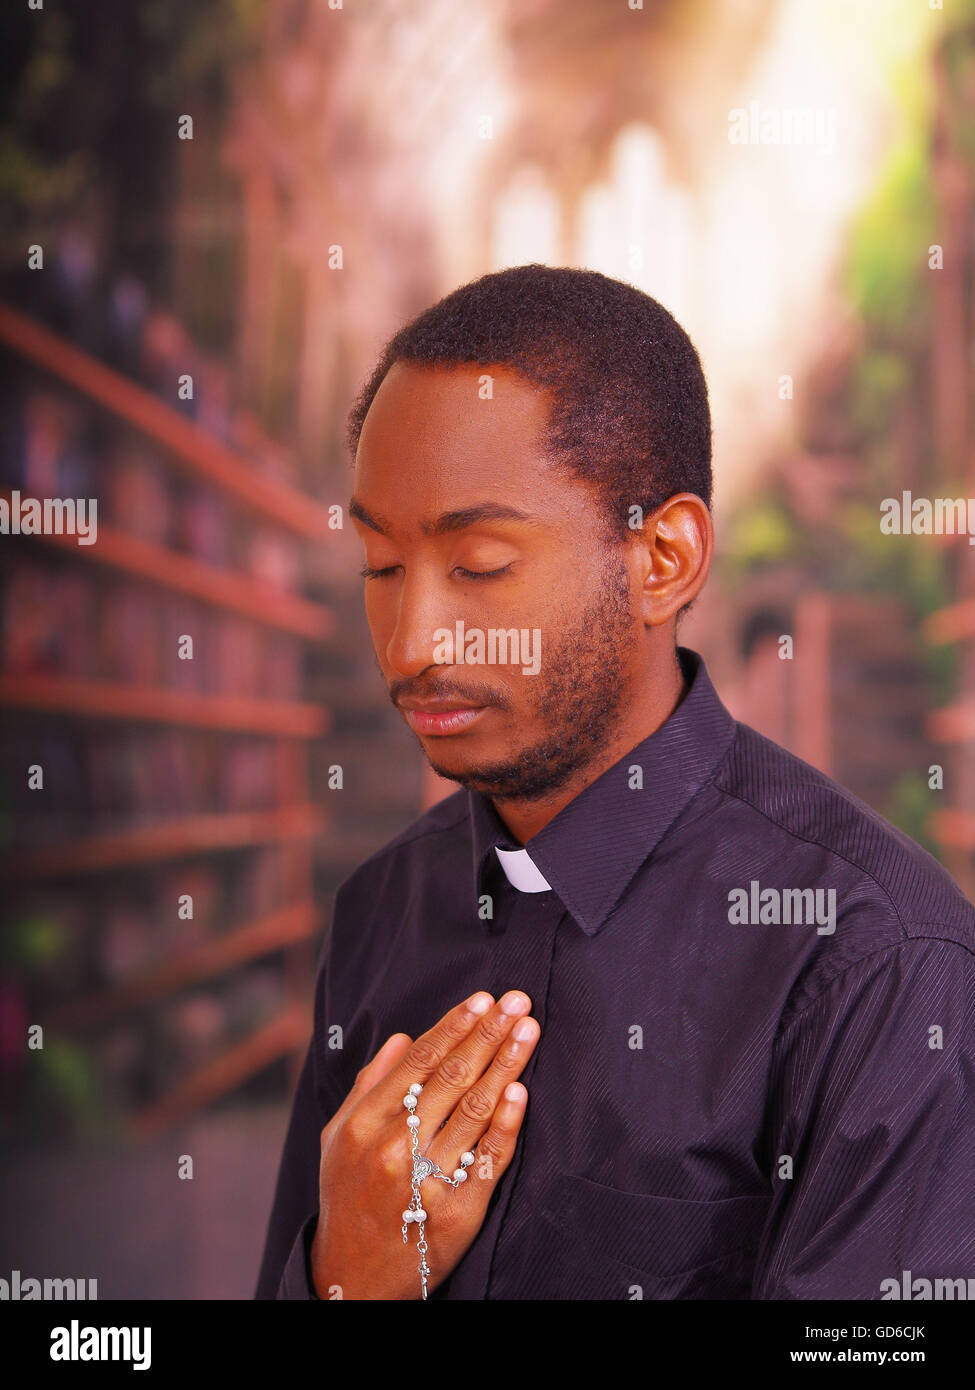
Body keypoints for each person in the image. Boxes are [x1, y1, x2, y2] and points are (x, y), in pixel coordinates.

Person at [255, 264, 975, 1300]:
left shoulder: (879, 965)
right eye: (380, 565)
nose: (413, 644)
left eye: (480, 564)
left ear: (663, 558)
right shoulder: (379, 912)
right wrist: (346, 1279)